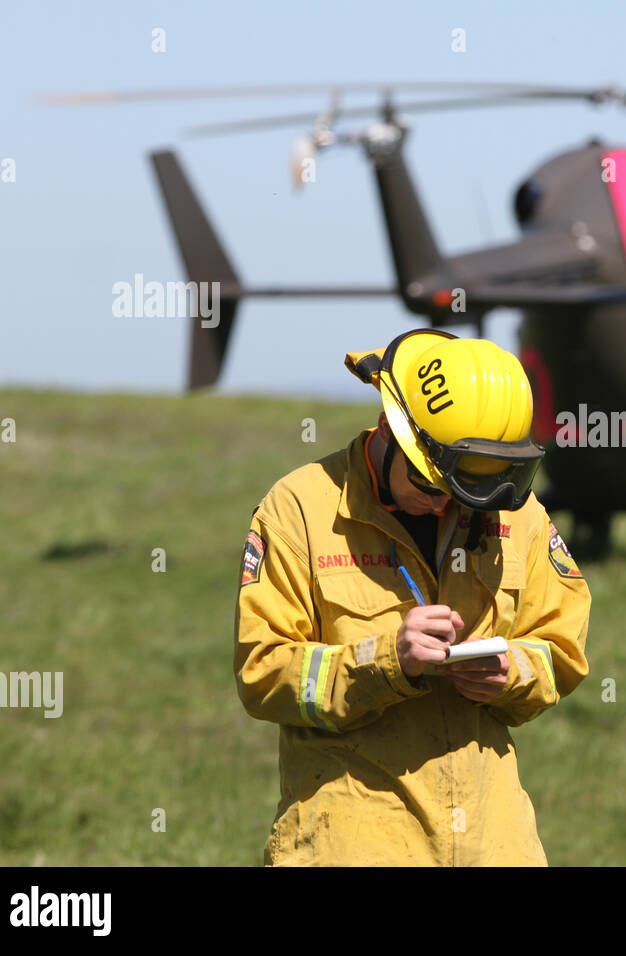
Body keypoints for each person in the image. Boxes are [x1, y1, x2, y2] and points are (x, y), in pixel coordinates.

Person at [233, 328, 592, 865]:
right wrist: (384, 663)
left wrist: (511, 673)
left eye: (467, 494)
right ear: (389, 430)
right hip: (350, 845)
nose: (447, 507)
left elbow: (559, 648)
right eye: (431, 487)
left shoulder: (518, 514)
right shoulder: (297, 511)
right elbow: (263, 675)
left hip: (495, 847)